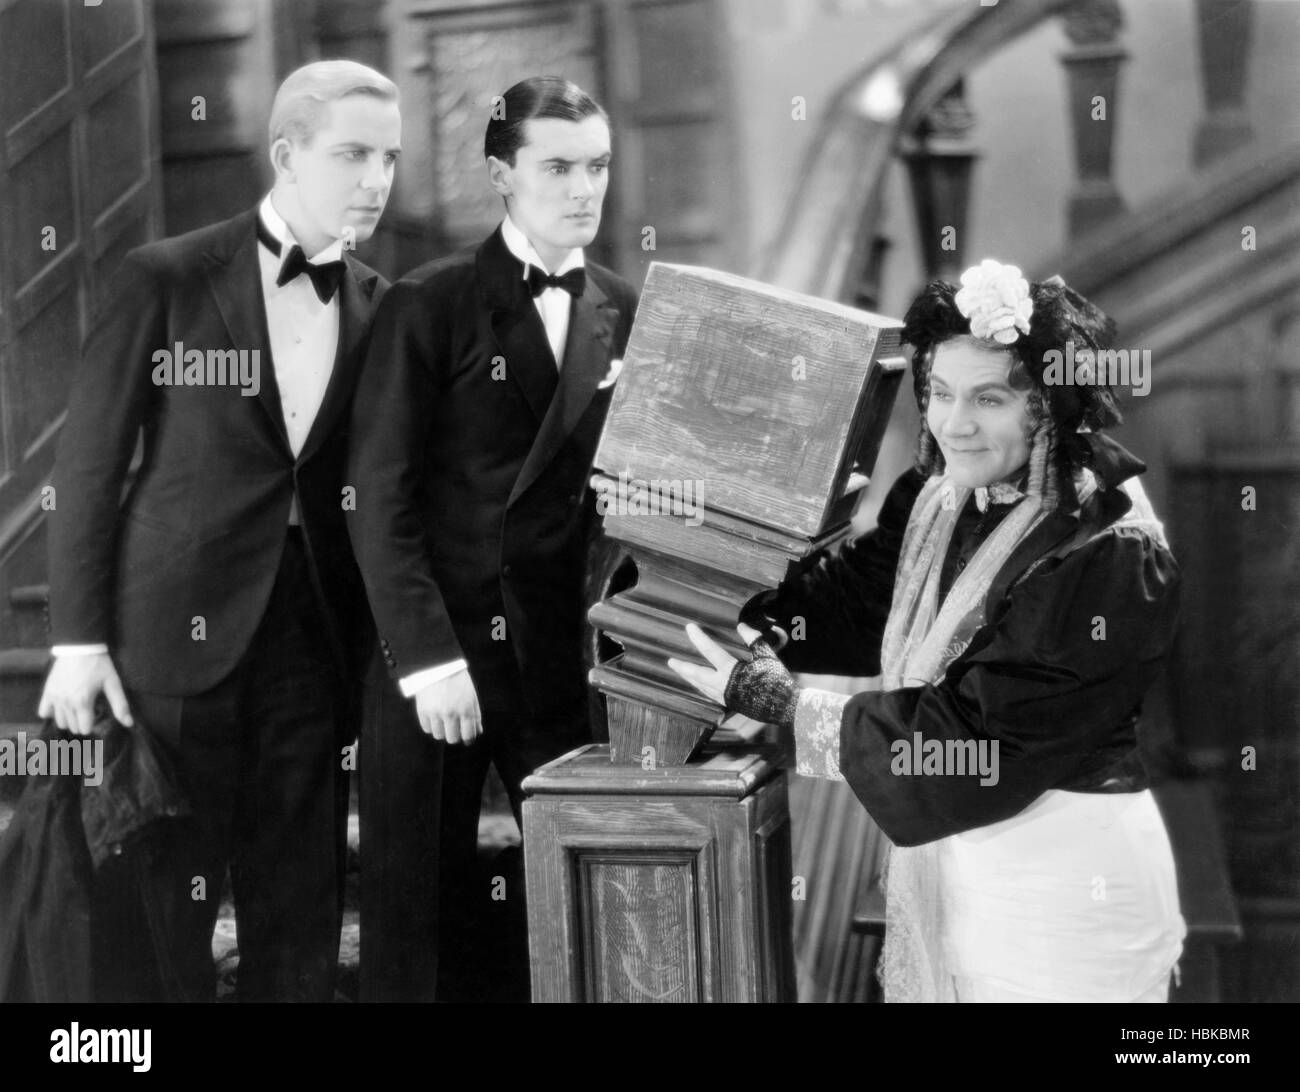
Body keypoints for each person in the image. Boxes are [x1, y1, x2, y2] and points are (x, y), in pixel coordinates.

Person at [670, 259, 1187, 1003]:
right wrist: (717, 579)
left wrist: (785, 705)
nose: (955, 424)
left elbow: (977, 743)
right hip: (959, 869)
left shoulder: (1107, 546)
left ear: (1049, 405)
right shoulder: (944, 494)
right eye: (940, 394)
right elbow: (850, 608)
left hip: (1065, 883)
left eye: (990, 398)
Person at [40, 60, 400, 1001]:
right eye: (352, 154)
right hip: (170, 632)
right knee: (162, 902)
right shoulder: (164, 276)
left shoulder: (374, 301)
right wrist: (78, 642)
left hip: (314, 633)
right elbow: (85, 468)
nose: (376, 179)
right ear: (286, 155)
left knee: (299, 895)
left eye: (391, 159)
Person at [346, 76, 639, 1001]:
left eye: (595, 166)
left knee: (580, 906)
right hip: (441, 651)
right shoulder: (428, 303)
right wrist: (427, 659)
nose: (582, 189)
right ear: (502, 176)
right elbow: (376, 496)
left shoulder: (626, 307)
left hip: (562, 659)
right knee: (417, 918)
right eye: (557, 167)